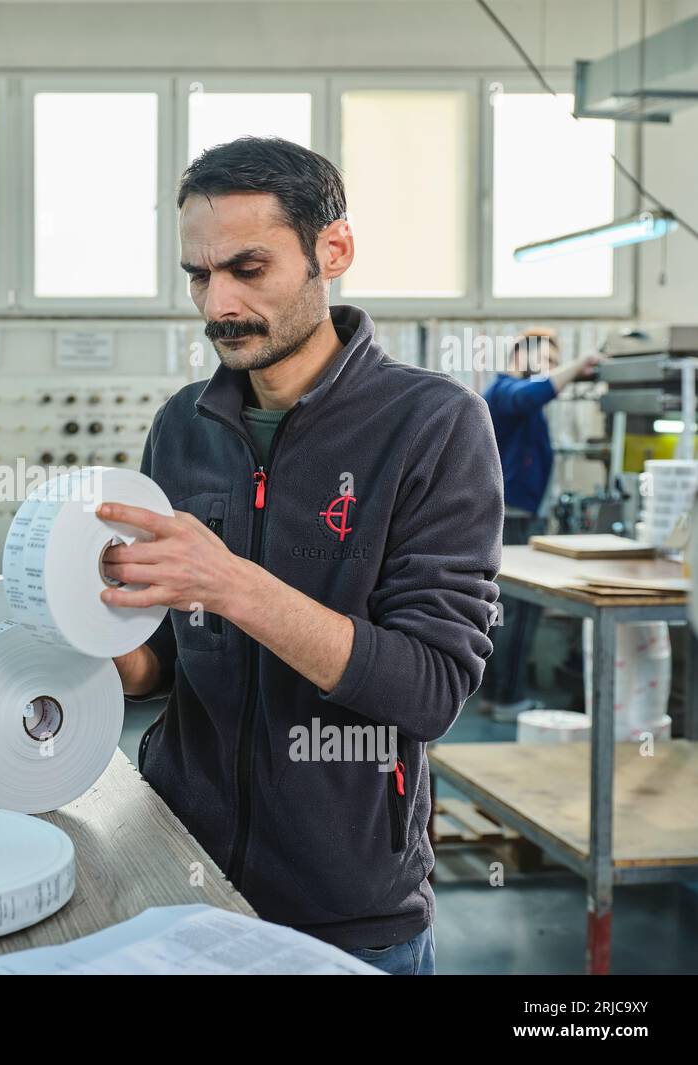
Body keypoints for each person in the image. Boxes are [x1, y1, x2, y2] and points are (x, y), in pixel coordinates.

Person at [99, 137, 503, 974]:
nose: (220, 304)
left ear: (334, 250)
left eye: (249, 268)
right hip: (178, 873)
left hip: (348, 914)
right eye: (198, 276)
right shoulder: (184, 425)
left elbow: (428, 688)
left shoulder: (432, 425)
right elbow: (169, 659)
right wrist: (85, 651)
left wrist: (232, 582)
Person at [479, 331, 600, 720]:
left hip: (518, 513)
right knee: (521, 606)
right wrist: (578, 366)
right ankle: (508, 698)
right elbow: (535, 393)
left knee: (508, 607)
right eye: (544, 360)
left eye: (554, 361)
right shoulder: (506, 391)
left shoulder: (516, 399)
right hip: (513, 516)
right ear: (522, 356)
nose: (550, 370)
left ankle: (497, 694)